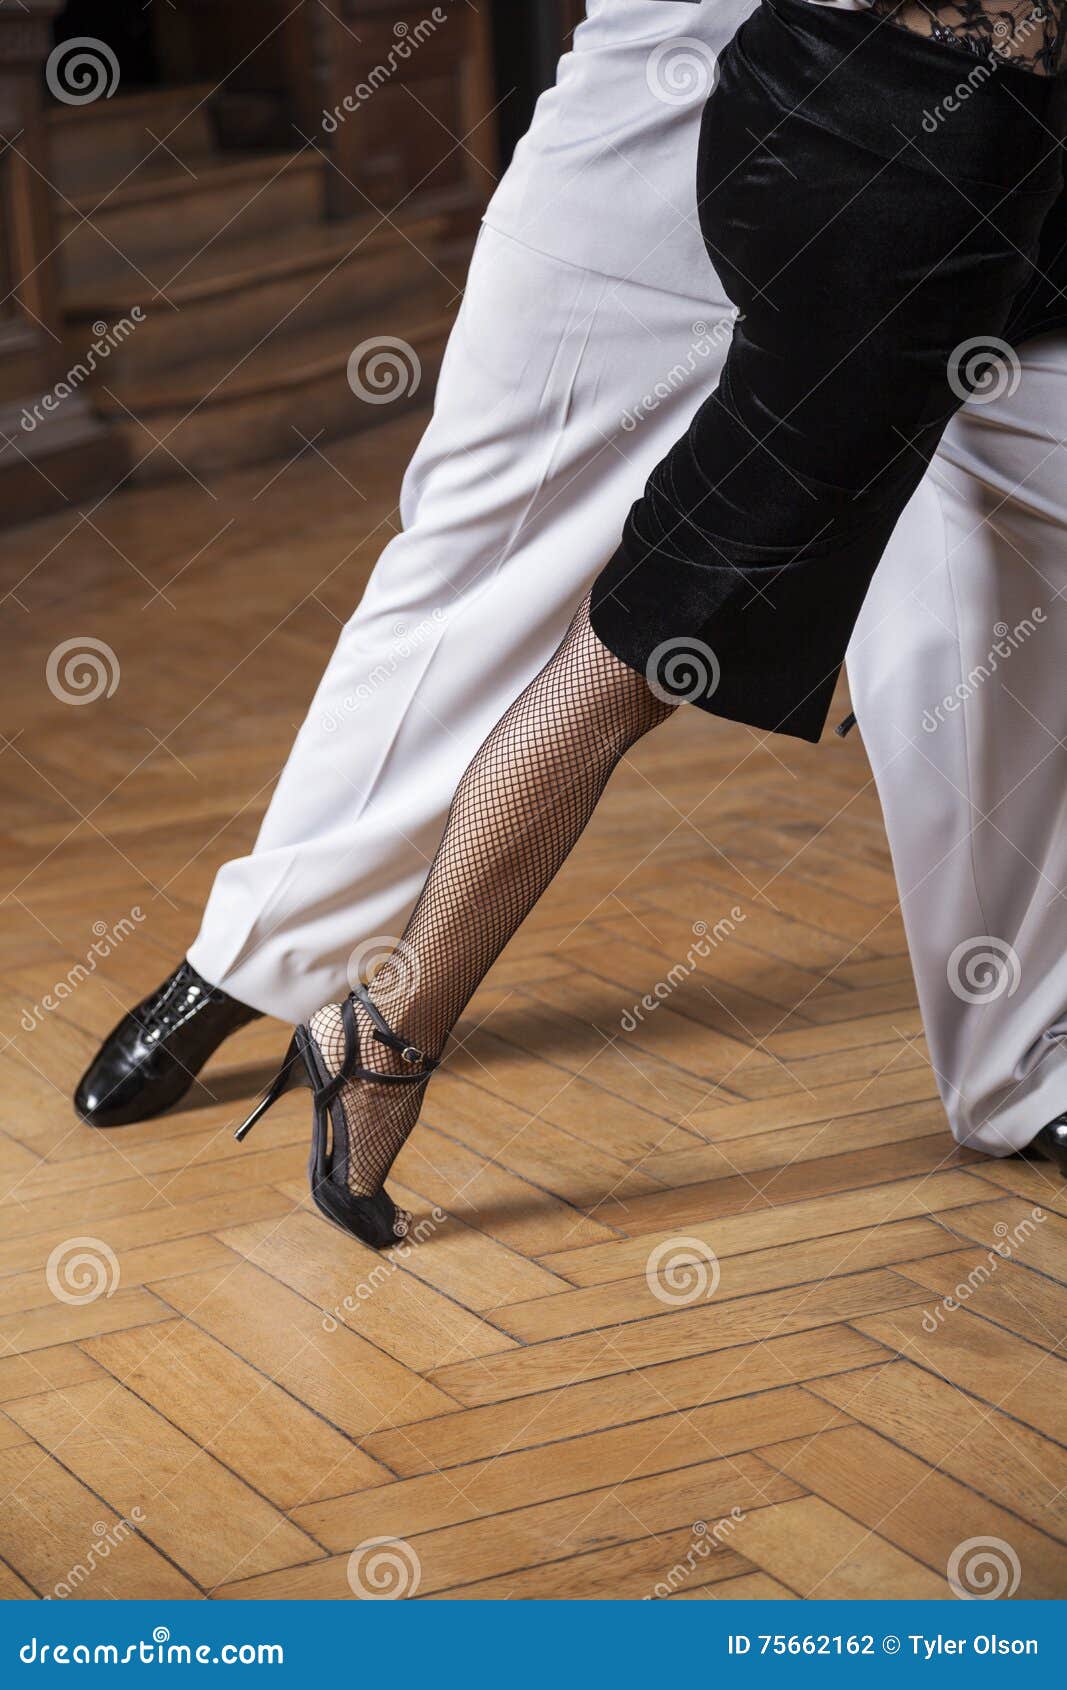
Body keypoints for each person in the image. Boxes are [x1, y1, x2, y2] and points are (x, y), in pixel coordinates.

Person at [75, 1, 1067, 1226]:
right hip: (746, 120)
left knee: (996, 579)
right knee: (502, 579)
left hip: (997, 161)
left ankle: (1021, 1057)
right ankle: (281, 964)